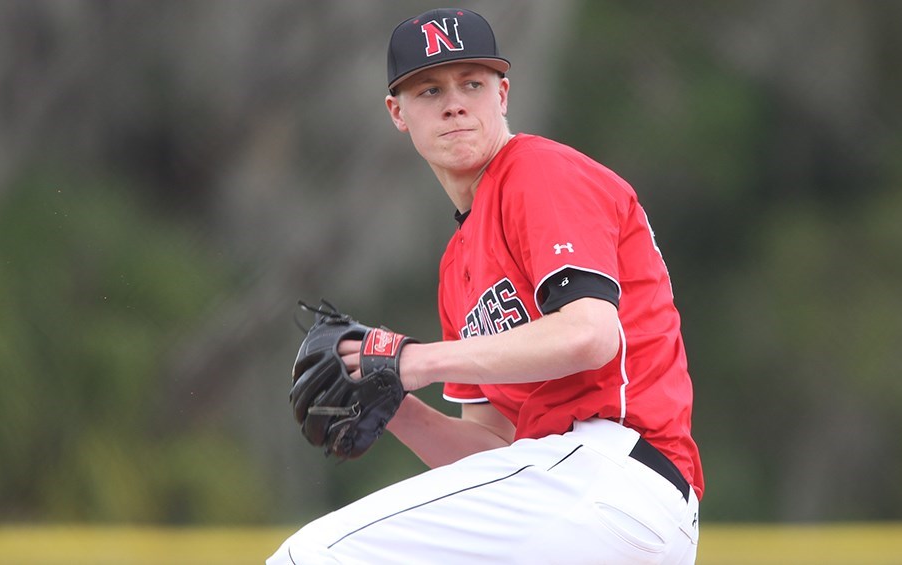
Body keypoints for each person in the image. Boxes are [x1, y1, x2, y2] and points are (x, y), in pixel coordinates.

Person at [268, 7, 703, 564]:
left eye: (471, 83)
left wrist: (415, 362)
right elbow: (494, 448)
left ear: (502, 95)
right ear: (396, 113)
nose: (454, 102)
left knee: (311, 556)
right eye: (429, 90)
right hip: (574, 507)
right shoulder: (458, 266)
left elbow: (592, 335)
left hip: (608, 477)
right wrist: (395, 401)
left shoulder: (538, 172)